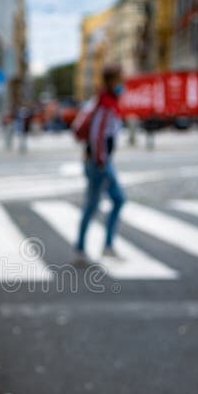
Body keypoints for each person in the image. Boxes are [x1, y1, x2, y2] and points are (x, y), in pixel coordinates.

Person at [76, 64, 126, 262]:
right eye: (120, 80)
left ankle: (91, 246)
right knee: (102, 202)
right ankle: (97, 246)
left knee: (102, 202)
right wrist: (102, 162)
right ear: (113, 81)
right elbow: (98, 135)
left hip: (99, 162)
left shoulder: (106, 101)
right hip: (99, 164)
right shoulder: (105, 104)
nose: (123, 84)